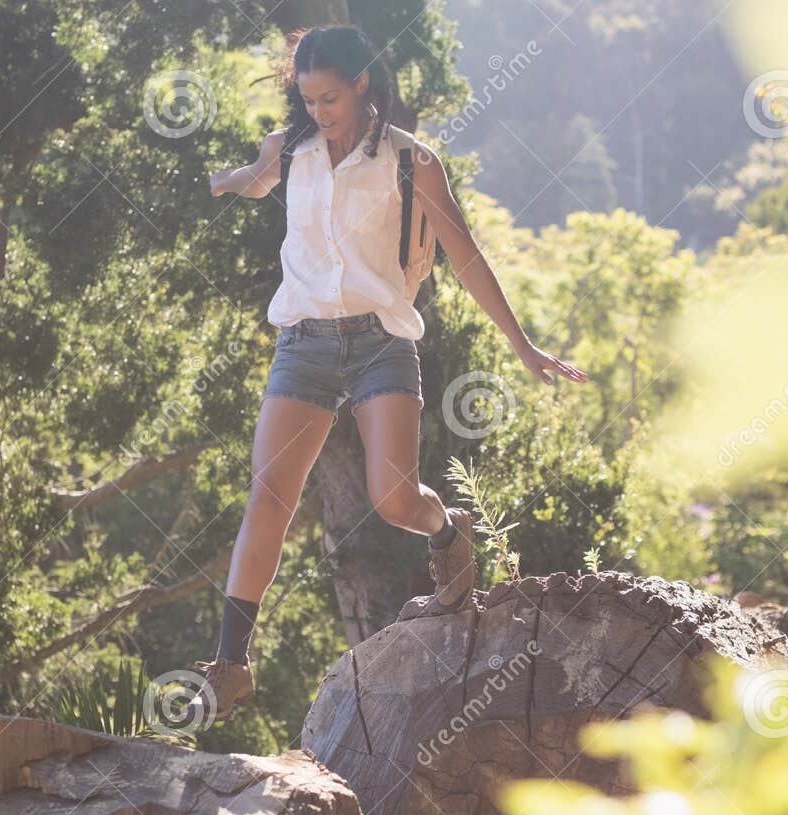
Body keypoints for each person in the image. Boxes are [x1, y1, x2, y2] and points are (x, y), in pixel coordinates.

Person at [194, 24, 587, 723]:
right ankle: (231, 665)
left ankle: (448, 529)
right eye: (309, 99)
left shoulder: (413, 162)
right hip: (304, 342)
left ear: (362, 84)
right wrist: (222, 180)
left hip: (380, 341)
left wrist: (524, 346)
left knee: (394, 499)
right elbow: (255, 181)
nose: (320, 111)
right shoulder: (293, 151)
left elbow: (464, 256)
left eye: (331, 97)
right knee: (269, 498)